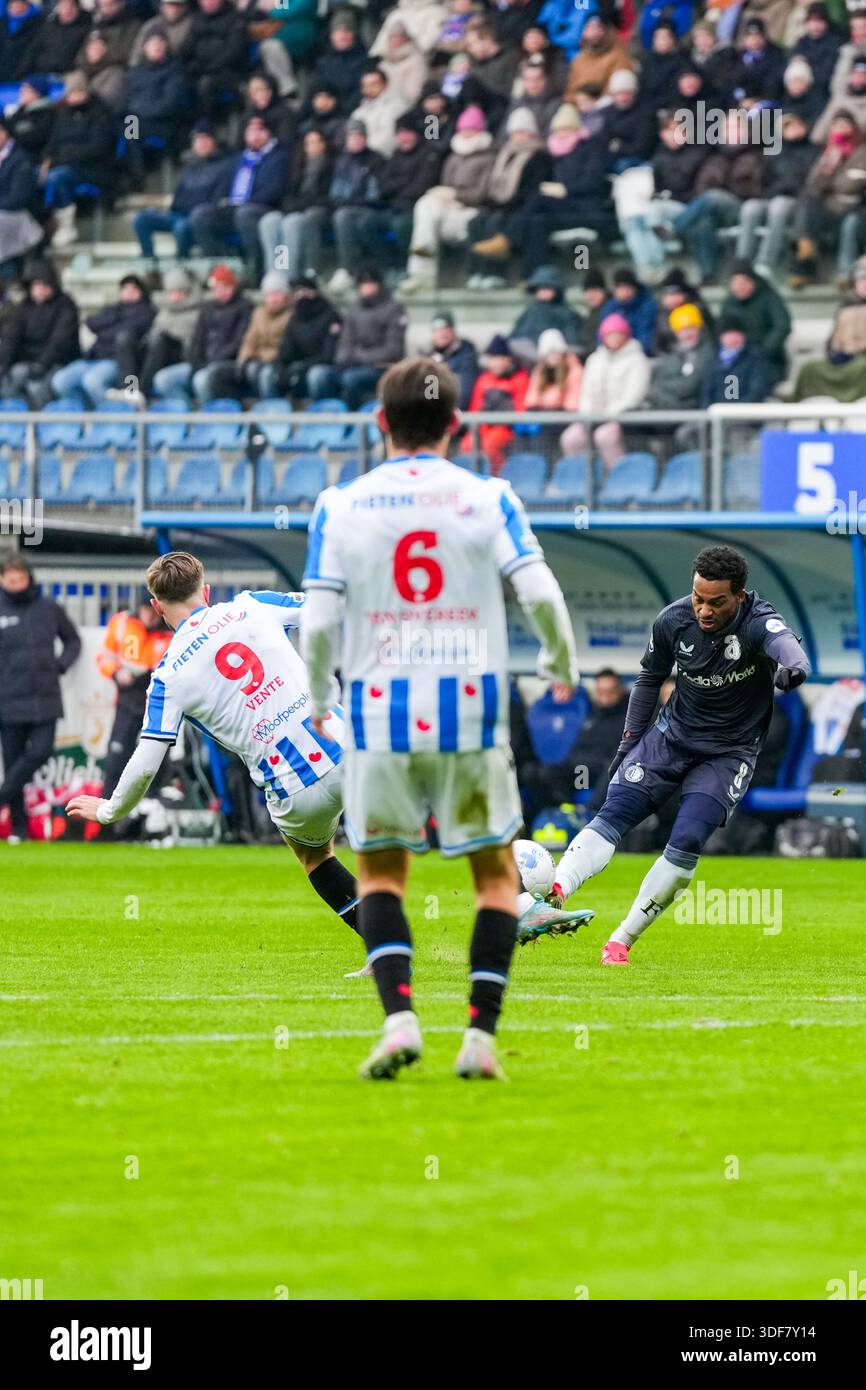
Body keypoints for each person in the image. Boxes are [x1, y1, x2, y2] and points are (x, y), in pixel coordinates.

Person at [299, 357, 584, 1081]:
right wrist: (560, 661)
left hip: (376, 712)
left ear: (379, 422)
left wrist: (320, 698)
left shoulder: (340, 504)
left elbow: (322, 618)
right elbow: (542, 592)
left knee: (381, 875)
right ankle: (479, 1041)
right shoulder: (489, 496)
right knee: (494, 878)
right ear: (458, 425)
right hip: (469, 709)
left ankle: (399, 1023)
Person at [66, 553, 366, 974]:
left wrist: (112, 809)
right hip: (348, 751)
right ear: (204, 591)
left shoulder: (168, 674)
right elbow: (327, 607)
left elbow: (147, 761)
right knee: (379, 841)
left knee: (316, 856)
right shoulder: (250, 604)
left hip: (293, 786)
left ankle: (383, 948)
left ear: (157, 605)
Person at [550, 546, 810, 963]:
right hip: (670, 738)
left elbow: (789, 650)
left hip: (728, 754)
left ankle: (621, 938)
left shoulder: (758, 620)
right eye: (698, 598)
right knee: (613, 811)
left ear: (739, 596)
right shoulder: (673, 620)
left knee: (687, 839)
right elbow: (650, 679)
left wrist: (791, 670)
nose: (704, 610)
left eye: (716, 602)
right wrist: (629, 741)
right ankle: (555, 892)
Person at [0, 553, 81, 845]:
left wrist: (60, 665)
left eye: (20, 579)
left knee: (41, 752)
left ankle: (2, 796)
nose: (16, 585)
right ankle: (18, 830)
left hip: (45, 697)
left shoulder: (48, 607)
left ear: (28, 578)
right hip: (8, 700)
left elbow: (73, 640)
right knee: (12, 765)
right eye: (10, 580)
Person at [188, 116, 289, 278]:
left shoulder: (278, 157)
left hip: (262, 207)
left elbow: (275, 191)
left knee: (245, 214)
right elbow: (223, 188)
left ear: (269, 133)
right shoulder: (238, 159)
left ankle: (254, 270)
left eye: (260, 130)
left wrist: (245, 203)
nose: (255, 135)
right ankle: (221, 267)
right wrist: (220, 202)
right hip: (233, 207)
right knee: (200, 215)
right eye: (251, 131)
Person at [521, 668, 630, 816]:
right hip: (576, 766)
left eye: (611, 690)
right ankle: (556, 814)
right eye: (601, 690)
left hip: (591, 773)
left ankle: (575, 814)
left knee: (579, 775)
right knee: (532, 773)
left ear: (620, 690)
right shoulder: (591, 713)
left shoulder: (629, 716)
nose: (606, 695)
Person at [96, 597, 172, 801]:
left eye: (153, 611)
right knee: (117, 756)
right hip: (128, 699)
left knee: (157, 759)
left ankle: (150, 813)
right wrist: (116, 673)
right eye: (145, 610)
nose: (149, 615)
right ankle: (106, 814)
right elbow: (104, 657)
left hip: (157, 702)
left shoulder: (170, 632)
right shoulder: (122, 622)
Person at [132, 121, 234, 269]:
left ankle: (181, 268)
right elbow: (179, 195)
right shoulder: (190, 167)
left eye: (205, 139)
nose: (201, 143)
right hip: (178, 215)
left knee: (181, 226)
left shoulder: (226, 166)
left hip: (198, 218)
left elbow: (216, 199)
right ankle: (150, 267)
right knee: (141, 219)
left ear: (214, 141)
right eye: (197, 140)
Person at [307, 267, 407, 409]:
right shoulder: (354, 310)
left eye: (370, 283)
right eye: (363, 284)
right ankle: (328, 419)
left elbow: (394, 350)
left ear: (379, 285)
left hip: (381, 368)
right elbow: (345, 343)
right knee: (319, 375)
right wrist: (344, 359)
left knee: (351, 379)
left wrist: (360, 357)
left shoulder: (394, 310)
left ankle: (351, 420)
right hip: (352, 364)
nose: (366, 288)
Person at [152, 262, 251, 403]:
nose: (221, 292)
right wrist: (196, 361)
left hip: (227, 363)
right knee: (163, 379)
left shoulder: (244, 307)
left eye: (225, 287)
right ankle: (188, 415)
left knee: (202, 380)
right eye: (216, 288)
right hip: (203, 363)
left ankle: (207, 417)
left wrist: (211, 361)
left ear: (233, 286)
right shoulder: (207, 307)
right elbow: (198, 338)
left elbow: (238, 341)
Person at [40, 71, 117, 250]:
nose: (73, 97)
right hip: (63, 164)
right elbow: (53, 142)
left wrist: (64, 156)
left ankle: (67, 226)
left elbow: (99, 147)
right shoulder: (63, 115)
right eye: (70, 93)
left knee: (56, 177)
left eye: (77, 92)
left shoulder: (100, 114)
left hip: (92, 169)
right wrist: (47, 158)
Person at [51, 275, 154, 406]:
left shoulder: (146, 311)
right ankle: (84, 416)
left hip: (115, 361)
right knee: (61, 381)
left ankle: (110, 415)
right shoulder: (113, 309)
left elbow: (126, 331)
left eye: (133, 289)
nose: (129, 292)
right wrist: (114, 320)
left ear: (141, 292)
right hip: (92, 358)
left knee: (92, 381)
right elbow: (91, 322)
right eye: (125, 289)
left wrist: (105, 328)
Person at [0, 261, 80, 409]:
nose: (39, 290)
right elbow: (10, 337)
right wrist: (4, 363)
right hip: (26, 362)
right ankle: (20, 423)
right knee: (8, 381)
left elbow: (60, 342)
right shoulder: (25, 307)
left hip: (56, 363)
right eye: (36, 286)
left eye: (44, 285)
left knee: (37, 387)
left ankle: (43, 423)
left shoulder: (65, 306)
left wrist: (42, 364)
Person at [792, 256, 866, 400]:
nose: (864, 284)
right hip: (843, 361)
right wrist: (835, 353)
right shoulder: (845, 308)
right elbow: (833, 340)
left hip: (861, 362)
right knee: (810, 369)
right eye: (861, 280)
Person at [719, 259, 791, 385]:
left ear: (753, 282)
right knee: (726, 383)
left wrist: (763, 351)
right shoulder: (729, 304)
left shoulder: (769, 298)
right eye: (735, 283)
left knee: (753, 385)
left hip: (767, 361)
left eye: (744, 282)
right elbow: (721, 330)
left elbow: (783, 326)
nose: (739, 287)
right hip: (737, 360)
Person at [465, 333, 530, 471]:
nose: (495, 362)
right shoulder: (484, 379)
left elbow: (521, 408)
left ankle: (494, 477)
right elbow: (475, 407)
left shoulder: (519, 378)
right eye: (492, 358)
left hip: (506, 428)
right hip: (484, 427)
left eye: (499, 357)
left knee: (490, 445)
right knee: (468, 444)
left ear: (508, 359)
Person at [270, 276, 341, 401]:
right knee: (269, 374)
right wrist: (280, 368)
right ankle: (274, 414)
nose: (301, 295)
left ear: (315, 292)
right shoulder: (295, 319)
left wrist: (303, 367)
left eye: (305, 291)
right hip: (301, 367)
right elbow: (285, 350)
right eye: (298, 292)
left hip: (325, 367)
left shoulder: (331, 316)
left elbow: (329, 355)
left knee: (316, 375)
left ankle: (321, 412)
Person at [426, 310, 478, 409]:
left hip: (458, 416)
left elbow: (464, 393)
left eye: (446, 329)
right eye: (437, 330)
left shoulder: (466, 355)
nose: (442, 333)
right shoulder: (427, 357)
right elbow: (429, 394)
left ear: (453, 330)